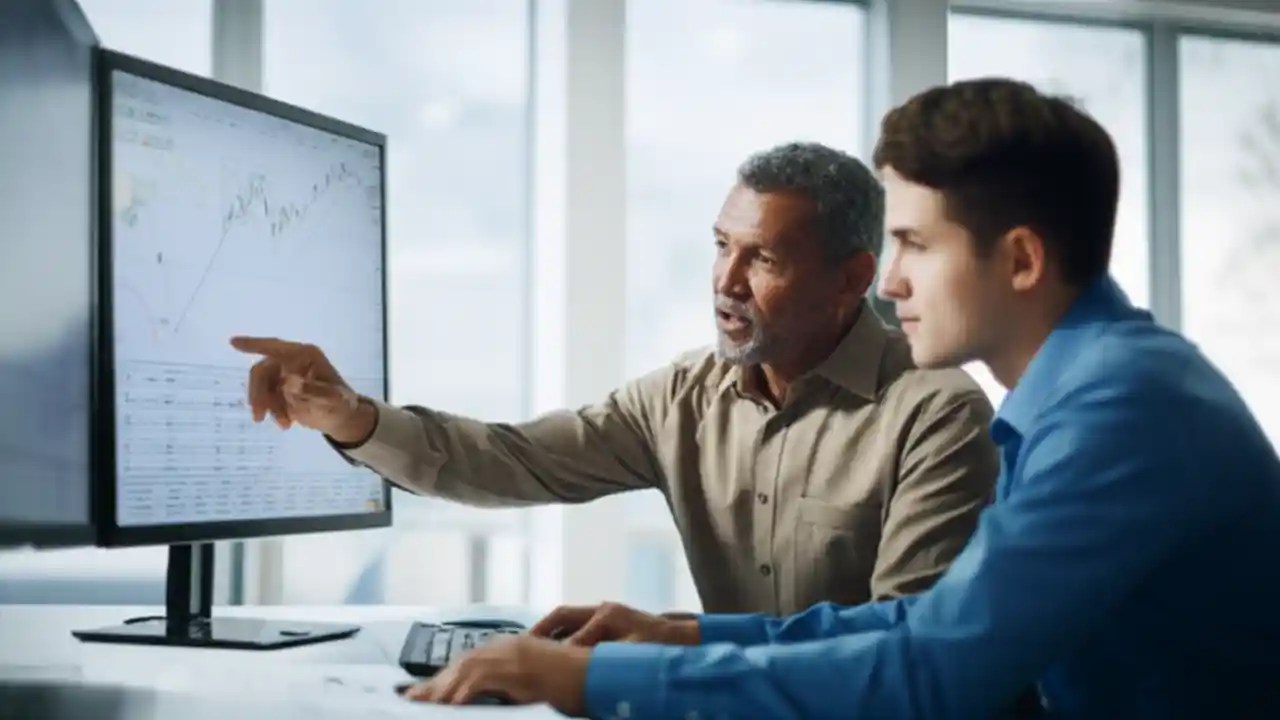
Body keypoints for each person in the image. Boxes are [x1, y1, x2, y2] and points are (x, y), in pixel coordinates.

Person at [393, 79, 1280, 718]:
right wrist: (685, 639)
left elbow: (934, 676)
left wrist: (582, 681)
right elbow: (931, 624)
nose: (888, 282)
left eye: (912, 246)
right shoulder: (1092, 389)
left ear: (1018, 261)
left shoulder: (1117, 413)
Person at [231, 142, 998, 616]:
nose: (725, 281)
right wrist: (353, 418)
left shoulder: (937, 412)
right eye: (720, 246)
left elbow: (910, 647)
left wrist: (673, 644)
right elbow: (511, 459)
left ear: (851, 279)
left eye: (762, 258)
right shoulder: (683, 398)